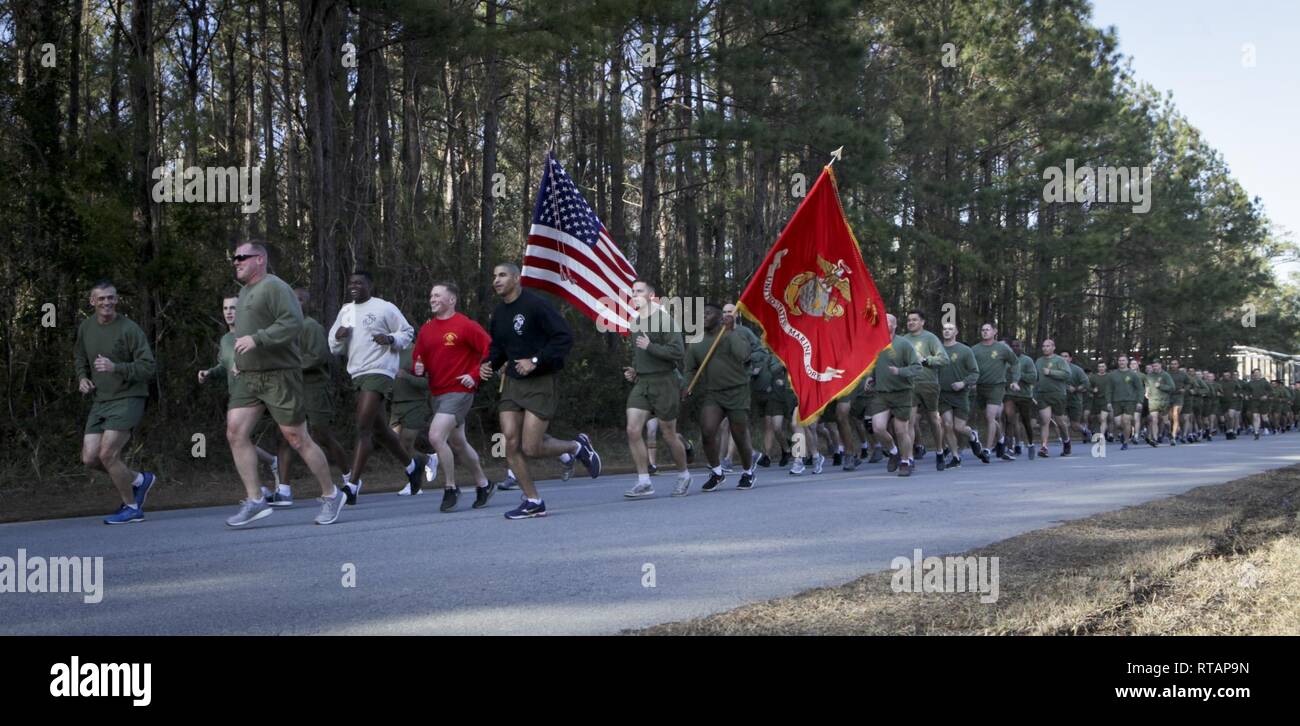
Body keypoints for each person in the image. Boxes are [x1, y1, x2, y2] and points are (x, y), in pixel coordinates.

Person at [223, 242, 344, 527]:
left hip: (279, 375)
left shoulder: (275, 287)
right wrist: (239, 360)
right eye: (234, 258)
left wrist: (258, 339)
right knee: (235, 432)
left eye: (242, 257)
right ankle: (255, 500)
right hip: (249, 376)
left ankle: (331, 494)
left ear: (260, 259)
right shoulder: (245, 291)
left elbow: (292, 322)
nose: (236, 261)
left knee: (297, 438)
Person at [481, 263, 599, 520]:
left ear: (516, 278)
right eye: (494, 276)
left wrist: (535, 360)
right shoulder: (499, 313)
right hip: (512, 383)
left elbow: (563, 337)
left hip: (541, 381)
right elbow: (498, 348)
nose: (496, 280)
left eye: (502, 275)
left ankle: (577, 447)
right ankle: (533, 500)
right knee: (510, 442)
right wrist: (488, 364)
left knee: (532, 447)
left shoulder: (536, 305)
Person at [329, 270, 426, 505]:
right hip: (357, 373)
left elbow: (407, 332)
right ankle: (413, 466)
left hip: (380, 370)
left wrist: (391, 339)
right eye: (351, 283)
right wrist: (339, 337)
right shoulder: (346, 311)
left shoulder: (384, 307)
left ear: (369, 286)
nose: (354, 286)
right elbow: (333, 345)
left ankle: (352, 485)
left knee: (363, 427)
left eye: (359, 283)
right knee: (381, 430)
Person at [76, 280, 158, 525]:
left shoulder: (129, 329)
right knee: (90, 458)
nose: (107, 302)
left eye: (111, 297)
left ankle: (132, 507)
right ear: (92, 301)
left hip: (128, 397)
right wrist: (82, 378)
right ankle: (139, 480)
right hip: (101, 399)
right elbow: (79, 356)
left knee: (108, 454)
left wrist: (116, 367)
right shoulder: (86, 327)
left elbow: (148, 367)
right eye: (101, 298)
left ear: (117, 299)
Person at [411, 282, 498, 512]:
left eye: (437, 295)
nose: (432, 299)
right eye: (431, 295)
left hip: (460, 391)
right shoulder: (427, 329)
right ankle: (484, 484)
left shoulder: (465, 325)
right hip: (437, 393)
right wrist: (418, 367)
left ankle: (450, 487)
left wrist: (475, 374)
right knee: (458, 442)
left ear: (452, 300)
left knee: (436, 436)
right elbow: (418, 358)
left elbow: (491, 349)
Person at [198, 294, 282, 500]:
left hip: (258, 393)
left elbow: (268, 357)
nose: (228, 312)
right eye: (225, 308)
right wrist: (209, 372)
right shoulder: (225, 339)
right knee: (238, 439)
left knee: (239, 438)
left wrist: (246, 366)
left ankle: (263, 489)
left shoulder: (253, 333)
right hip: (237, 395)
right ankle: (270, 468)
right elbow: (225, 365)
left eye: (233, 308)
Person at [272, 288, 351, 505]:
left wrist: (288, 365)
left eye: (301, 300)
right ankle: (284, 491)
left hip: (314, 389)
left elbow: (317, 357)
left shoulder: (312, 326)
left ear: (308, 304)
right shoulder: (284, 328)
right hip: (291, 391)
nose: (296, 303)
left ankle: (350, 480)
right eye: (293, 299)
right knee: (285, 437)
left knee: (322, 435)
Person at [622, 280, 691, 498]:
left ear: (651, 296)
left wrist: (650, 346)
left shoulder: (664, 319)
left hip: (664, 382)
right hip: (642, 383)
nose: (634, 295)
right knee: (633, 430)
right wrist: (635, 370)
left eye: (639, 291)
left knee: (668, 434)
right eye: (633, 292)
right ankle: (644, 482)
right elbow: (640, 354)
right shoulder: (635, 322)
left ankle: (684, 475)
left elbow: (678, 352)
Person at [683, 303, 756, 491]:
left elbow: (743, 355)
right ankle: (717, 473)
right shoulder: (696, 341)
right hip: (713, 393)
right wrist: (686, 386)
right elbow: (690, 369)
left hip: (737, 391)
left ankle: (748, 472)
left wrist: (730, 331)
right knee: (707, 431)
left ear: (719, 317)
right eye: (702, 314)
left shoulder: (731, 334)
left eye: (708, 313)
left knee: (739, 435)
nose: (704, 316)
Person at [867, 313, 922, 477]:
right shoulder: (876, 343)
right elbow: (874, 364)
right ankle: (893, 451)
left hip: (902, 393)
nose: (884, 324)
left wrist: (899, 371)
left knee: (901, 430)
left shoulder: (903, 344)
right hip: (881, 394)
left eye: (888, 322)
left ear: (895, 325)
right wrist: (870, 377)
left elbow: (917, 367)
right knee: (878, 428)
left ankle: (905, 462)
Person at [903, 310, 949, 465]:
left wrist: (925, 360)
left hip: (929, 384)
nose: (911, 322)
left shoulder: (930, 338)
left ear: (922, 322)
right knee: (909, 421)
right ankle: (909, 457)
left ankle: (940, 450)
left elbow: (944, 359)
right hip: (910, 385)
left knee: (934, 420)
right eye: (909, 320)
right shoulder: (904, 340)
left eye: (914, 320)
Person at [971, 324, 1020, 462]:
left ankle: (987, 450)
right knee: (988, 418)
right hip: (980, 387)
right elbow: (969, 367)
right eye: (983, 330)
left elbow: (1015, 363)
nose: (985, 332)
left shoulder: (1002, 348)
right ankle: (1001, 439)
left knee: (990, 416)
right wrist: (971, 381)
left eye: (987, 329)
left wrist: (1015, 380)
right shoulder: (975, 349)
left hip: (996, 387)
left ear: (994, 332)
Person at [937, 321, 981, 468]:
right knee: (947, 425)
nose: (947, 331)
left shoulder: (965, 350)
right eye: (945, 329)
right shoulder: (937, 349)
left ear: (956, 332)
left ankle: (972, 435)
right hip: (943, 395)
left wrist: (963, 383)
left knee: (959, 427)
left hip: (960, 395)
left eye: (950, 329)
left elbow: (975, 372)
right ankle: (956, 457)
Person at [1034, 339, 1072, 457]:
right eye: (1043, 346)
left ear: (1053, 347)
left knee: (1060, 422)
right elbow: (1035, 377)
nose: (1045, 348)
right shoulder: (1039, 361)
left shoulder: (1060, 360)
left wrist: (1051, 372)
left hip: (1058, 394)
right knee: (1044, 420)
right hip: (1042, 395)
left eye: (1048, 346)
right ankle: (1044, 447)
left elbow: (1067, 374)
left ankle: (1066, 441)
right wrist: (1033, 392)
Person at [1004, 339, 1039, 458]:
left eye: (1017, 346)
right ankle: (1009, 448)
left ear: (1021, 347)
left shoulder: (1027, 360)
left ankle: (1030, 444)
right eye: (1013, 346)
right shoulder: (1007, 361)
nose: (1015, 348)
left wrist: (1018, 375)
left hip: (1024, 395)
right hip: (1009, 394)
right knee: (1009, 419)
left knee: (1025, 421)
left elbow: (1033, 377)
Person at [1107, 355, 1139, 451]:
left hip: (1129, 401)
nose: (1121, 362)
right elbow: (1108, 389)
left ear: (1127, 362)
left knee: (1126, 421)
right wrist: (1108, 402)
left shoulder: (1132, 374)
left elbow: (1139, 389)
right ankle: (1127, 432)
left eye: (1123, 360)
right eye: (1120, 360)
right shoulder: (1112, 375)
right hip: (1116, 401)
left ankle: (1125, 442)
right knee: (1117, 423)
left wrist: (1139, 401)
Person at [1143, 360, 1175, 447]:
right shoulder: (1149, 376)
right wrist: (1147, 392)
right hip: (1153, 401)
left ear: (1160, 366)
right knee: (1154, 419)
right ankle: (1155, 439)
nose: (1154, 368)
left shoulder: (1166, 375)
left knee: (1165, 421)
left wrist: (1161, 386)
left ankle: (1170, 434)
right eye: (1153, 366)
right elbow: (1147, 385)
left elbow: (1172, 387)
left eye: (1156, 366)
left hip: (1164, 401)